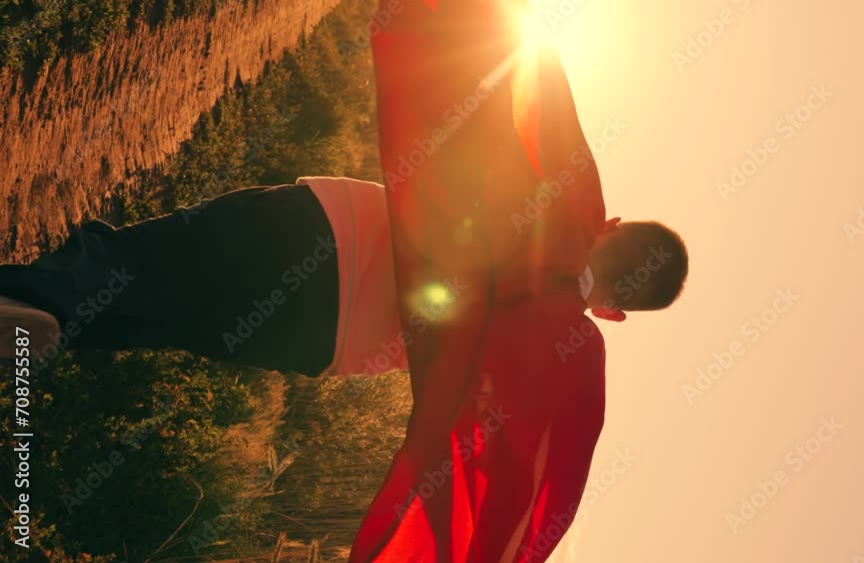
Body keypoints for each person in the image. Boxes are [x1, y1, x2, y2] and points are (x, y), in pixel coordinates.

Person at [0, 176, 688, 375]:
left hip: (325, 229)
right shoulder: (546, 352)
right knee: (155, 322)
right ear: (614, 314)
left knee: (135, 264)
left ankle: (31, 300)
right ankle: (42, 327)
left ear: (612, 224)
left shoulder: (545, 193)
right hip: (317, 340)